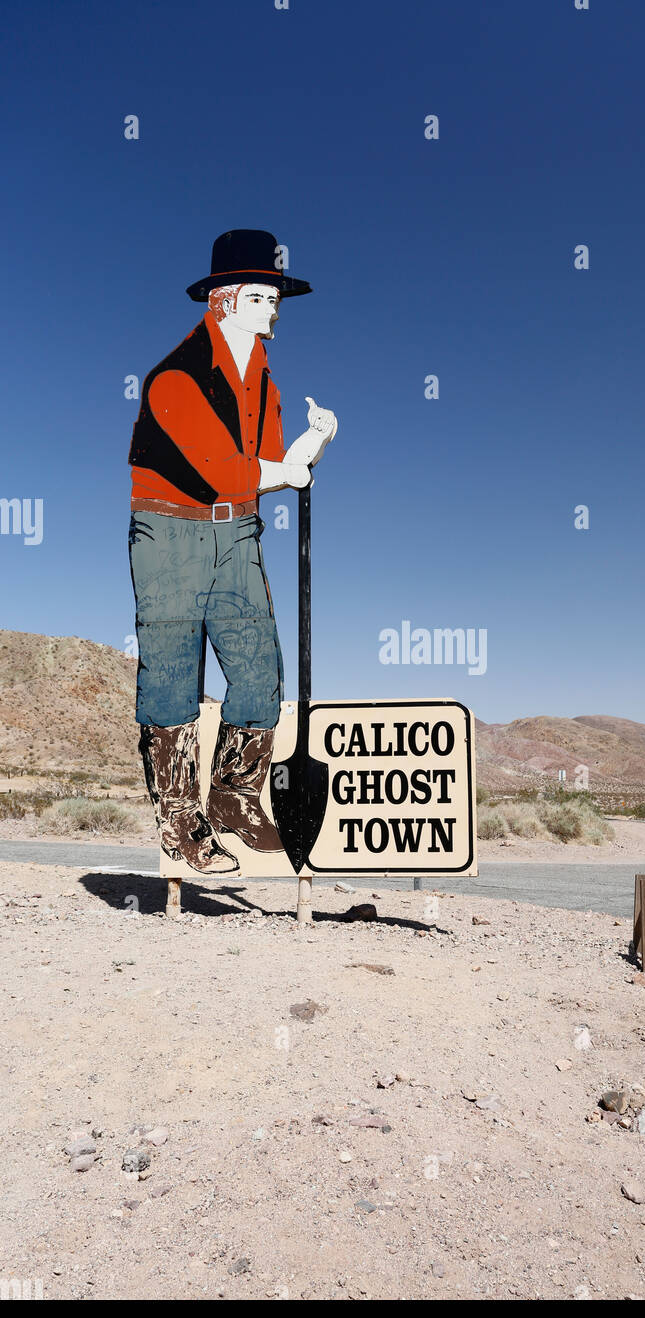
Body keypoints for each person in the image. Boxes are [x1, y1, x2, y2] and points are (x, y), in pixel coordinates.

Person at [128, 228, 337, 872]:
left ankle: (233, 799)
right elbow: (223, 467)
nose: (274, 306)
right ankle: (178, 818)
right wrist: (291, 468)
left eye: (277, 295)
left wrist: (304, 450)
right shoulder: (174, 377)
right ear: (224, 299)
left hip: (238, 531)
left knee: (258, 670)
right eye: (262, 294)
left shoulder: (266, 385)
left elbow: (265, 463)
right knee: (171, 673)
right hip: (169, 530)